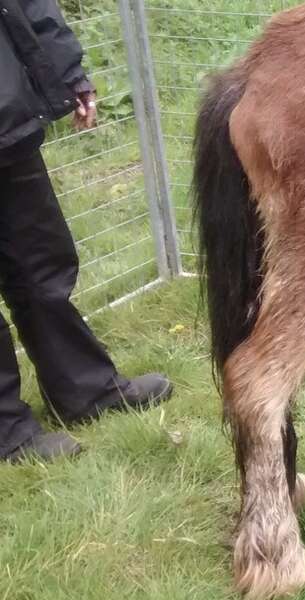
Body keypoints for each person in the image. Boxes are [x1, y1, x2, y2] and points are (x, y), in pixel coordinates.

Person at [0, 0, 173, 463]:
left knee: (43, 262)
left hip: (7, 116)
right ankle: (9, 432)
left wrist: (68, 71)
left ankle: (83, 389)